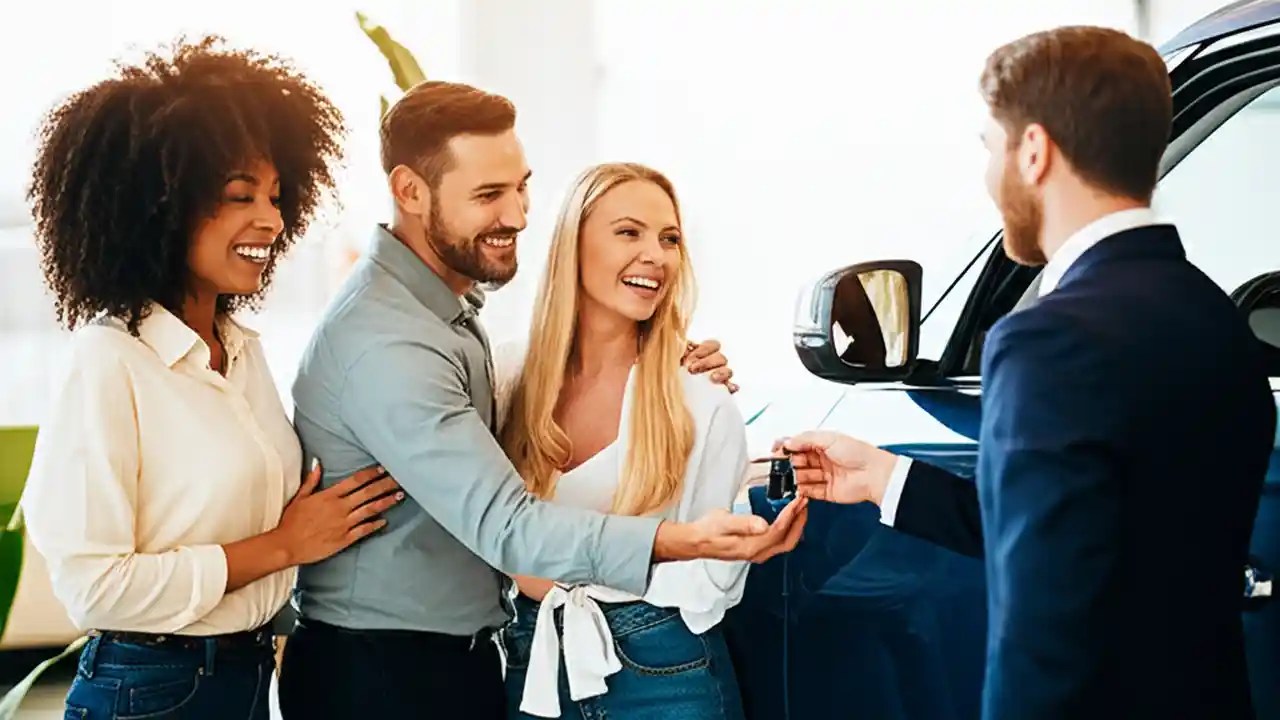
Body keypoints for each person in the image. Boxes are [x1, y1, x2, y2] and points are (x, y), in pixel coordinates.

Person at [780, 26, 1275, 720]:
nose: (989, 175)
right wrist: (884, 478)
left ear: (1035, 150)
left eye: (990, 148)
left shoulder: (1049, 340)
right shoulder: (1217, 319)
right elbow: (1102, 535)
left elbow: (1043, 627)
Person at [282, 81, 807, 719]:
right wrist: (681, 539)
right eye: (488, 195)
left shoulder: (456, 321)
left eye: (521, 187)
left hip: (543, 663)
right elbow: (508, 526)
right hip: (398, 674)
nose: (518, 215)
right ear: (410, 192)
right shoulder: (403, 343)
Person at [19, 36, 405, 719]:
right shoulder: (113, 362)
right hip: (150, 690)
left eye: (276, 195)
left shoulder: (242, 351)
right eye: (239, 196)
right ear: (158, 206)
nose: (272, 219)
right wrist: (281, 546)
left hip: (248, 677)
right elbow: (95, 588)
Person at [495, 163, 762, 719]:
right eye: (628, 232)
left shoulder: (701, 401)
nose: (656, 255)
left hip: (665, 673)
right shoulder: (505, 380)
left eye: (670, 239)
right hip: (533, 661)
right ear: (574, 244)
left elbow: (715, 583)